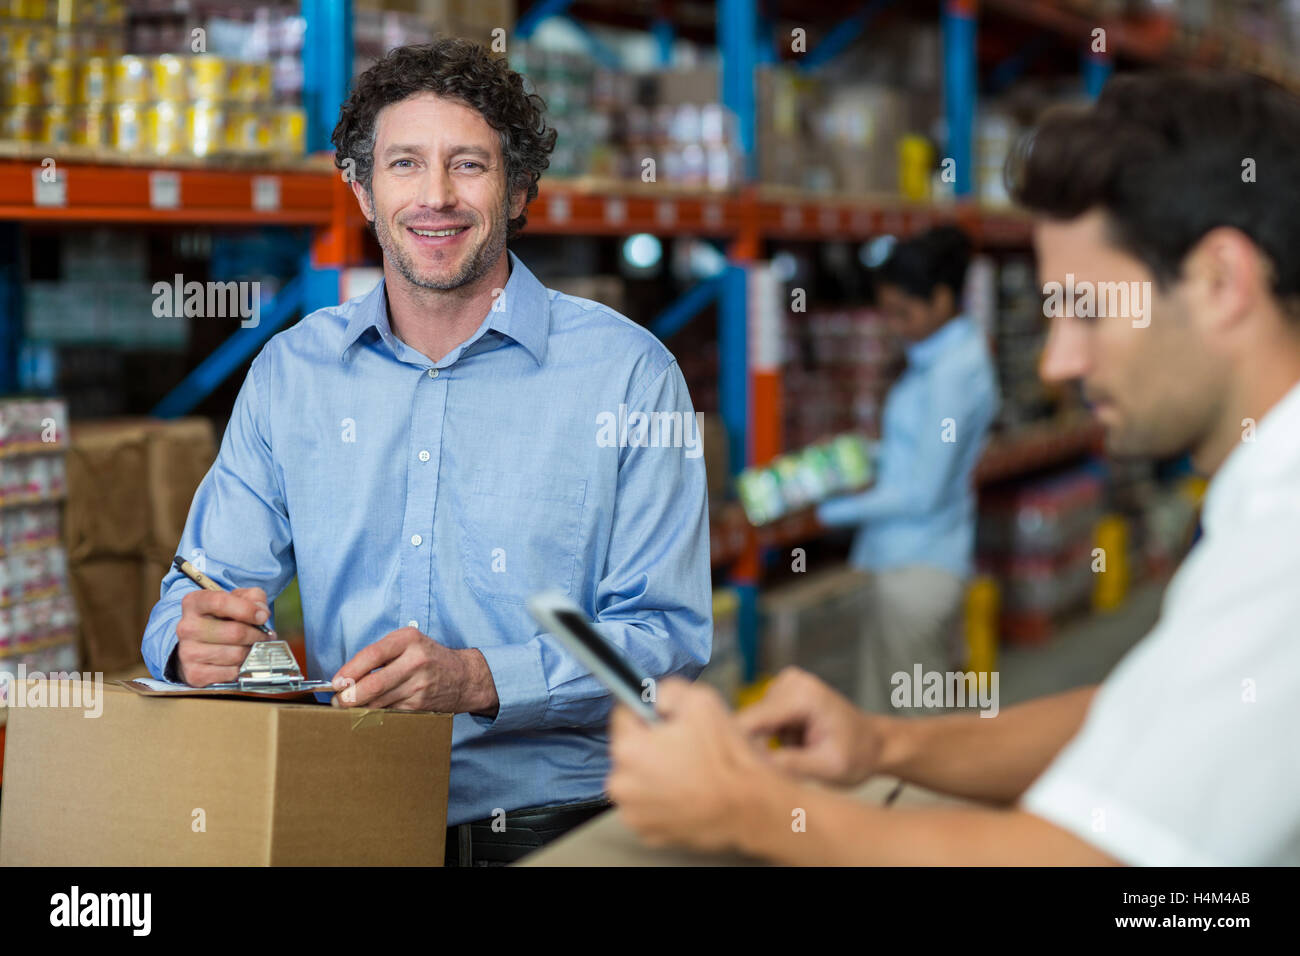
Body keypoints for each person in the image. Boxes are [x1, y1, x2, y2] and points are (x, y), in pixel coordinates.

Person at [607, 70, 1300, 865]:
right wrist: (883, 746)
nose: (1058, 361)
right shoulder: (1260, 508)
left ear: (1222, 283)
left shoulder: (1285, 542)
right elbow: (1141, 714)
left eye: (1088, 310)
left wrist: (752, 809)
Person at [141, 39, 712, 866]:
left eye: (468, 166)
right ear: (362, 190)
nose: (435, 197)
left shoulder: (628, 375)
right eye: (404, 164)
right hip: (349, 814)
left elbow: (667, 648)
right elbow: (191, 594)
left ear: (518, 190)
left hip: (565, 827)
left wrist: (483, 679)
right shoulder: (292, 375)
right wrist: (188, 644)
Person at [817, 225, 998, 712]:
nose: (895, 325)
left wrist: (826, 513)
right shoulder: (937, 362)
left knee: (917, 730)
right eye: (887, 311)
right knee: (889, 721)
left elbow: (923, 491)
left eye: (903, 312)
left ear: (941, 299)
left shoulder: (955, 373)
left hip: (919, 568)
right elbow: (910, 456)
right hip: (901, 561)